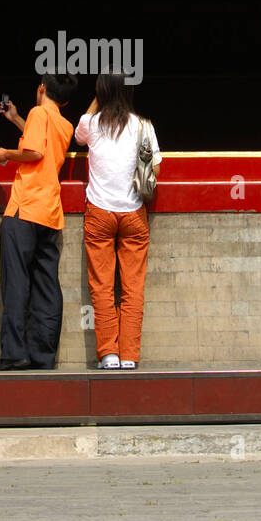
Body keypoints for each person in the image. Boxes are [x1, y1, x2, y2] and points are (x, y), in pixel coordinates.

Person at [0, 73, 77, 369]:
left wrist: (4, 154)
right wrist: (16, 119)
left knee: (16, 283)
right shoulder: (64, 123)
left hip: (24, 209)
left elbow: (35, 152)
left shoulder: (39, 113)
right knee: (46, 284)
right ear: (64, 99)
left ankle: (15, 354)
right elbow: (44, 146)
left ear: (41, 88)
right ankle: (43, 354)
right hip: (49, 211)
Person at [75, 73, 161, 370]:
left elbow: (77, 134)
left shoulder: (92, 124)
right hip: (134, 212)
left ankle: (108, 355)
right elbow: (156, 170)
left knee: (102, 287)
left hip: (99, 212)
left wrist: (100, 96)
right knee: (132, 288)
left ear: (100, 92)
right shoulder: (144, 126)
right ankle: (129, 356)